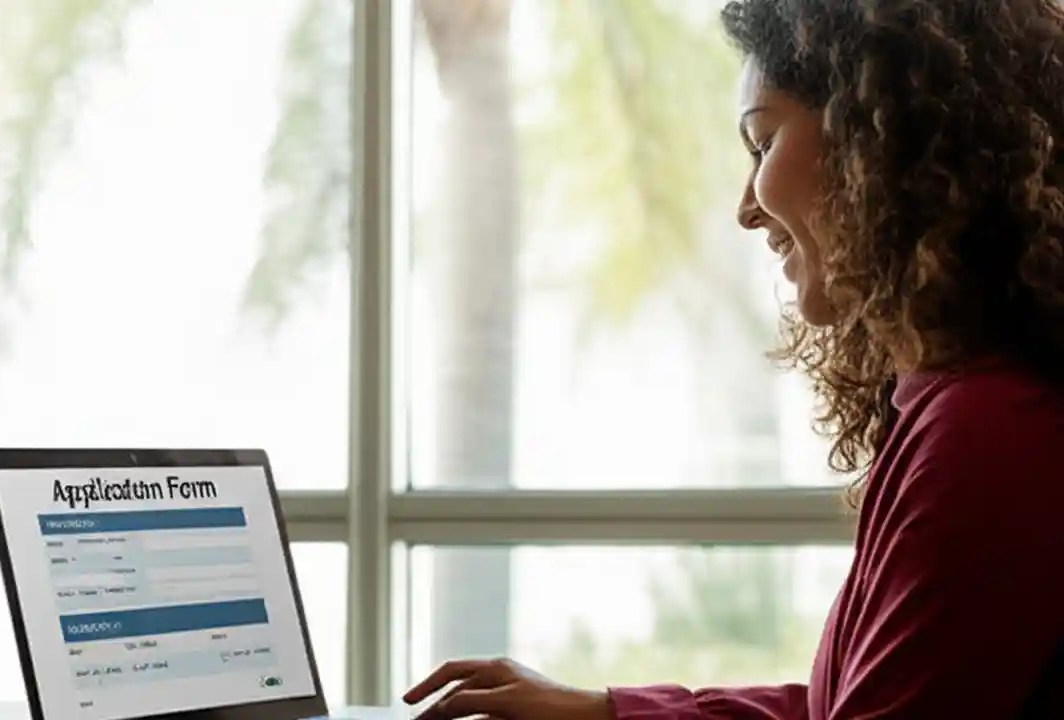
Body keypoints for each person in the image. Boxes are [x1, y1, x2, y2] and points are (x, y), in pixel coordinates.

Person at [402, 0, 1064, 717]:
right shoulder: (962, 403)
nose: (746, 208)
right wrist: (608, 710)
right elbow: (838, 703)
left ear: (882, 142)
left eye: (763, 143)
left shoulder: (987, 431)